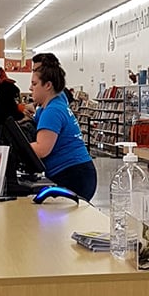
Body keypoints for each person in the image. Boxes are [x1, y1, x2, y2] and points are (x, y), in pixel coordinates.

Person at [29, 55, 97, 200]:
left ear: (48, 85)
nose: (30, 88)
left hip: (73, 175)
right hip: (79, 171)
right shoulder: (54, 104)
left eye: (34, 84)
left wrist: (14, 149)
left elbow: (41, 149)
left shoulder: (52, 111)